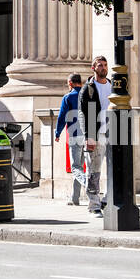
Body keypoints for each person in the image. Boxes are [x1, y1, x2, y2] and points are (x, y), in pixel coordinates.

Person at [77, 56, 112, 217]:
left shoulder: (112, 85)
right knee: (94, 171)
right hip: (96, 135)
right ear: (93, 68)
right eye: (100, 65)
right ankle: (94, 205)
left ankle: (106, 199)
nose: (103, 68)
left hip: (113, 133)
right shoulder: (88, 88)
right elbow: (83, 114)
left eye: (105, 65)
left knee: (116, 169)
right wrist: (88, 136)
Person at [54, 73, 86, 206]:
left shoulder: (68, 97)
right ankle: (75, 198)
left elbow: (62, 117)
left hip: (75, 135)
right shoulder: (88, 94)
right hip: (89, 135)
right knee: (82, 167)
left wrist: (57, 132)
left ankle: (89, 186)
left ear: (70, 83)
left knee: (76, 168)